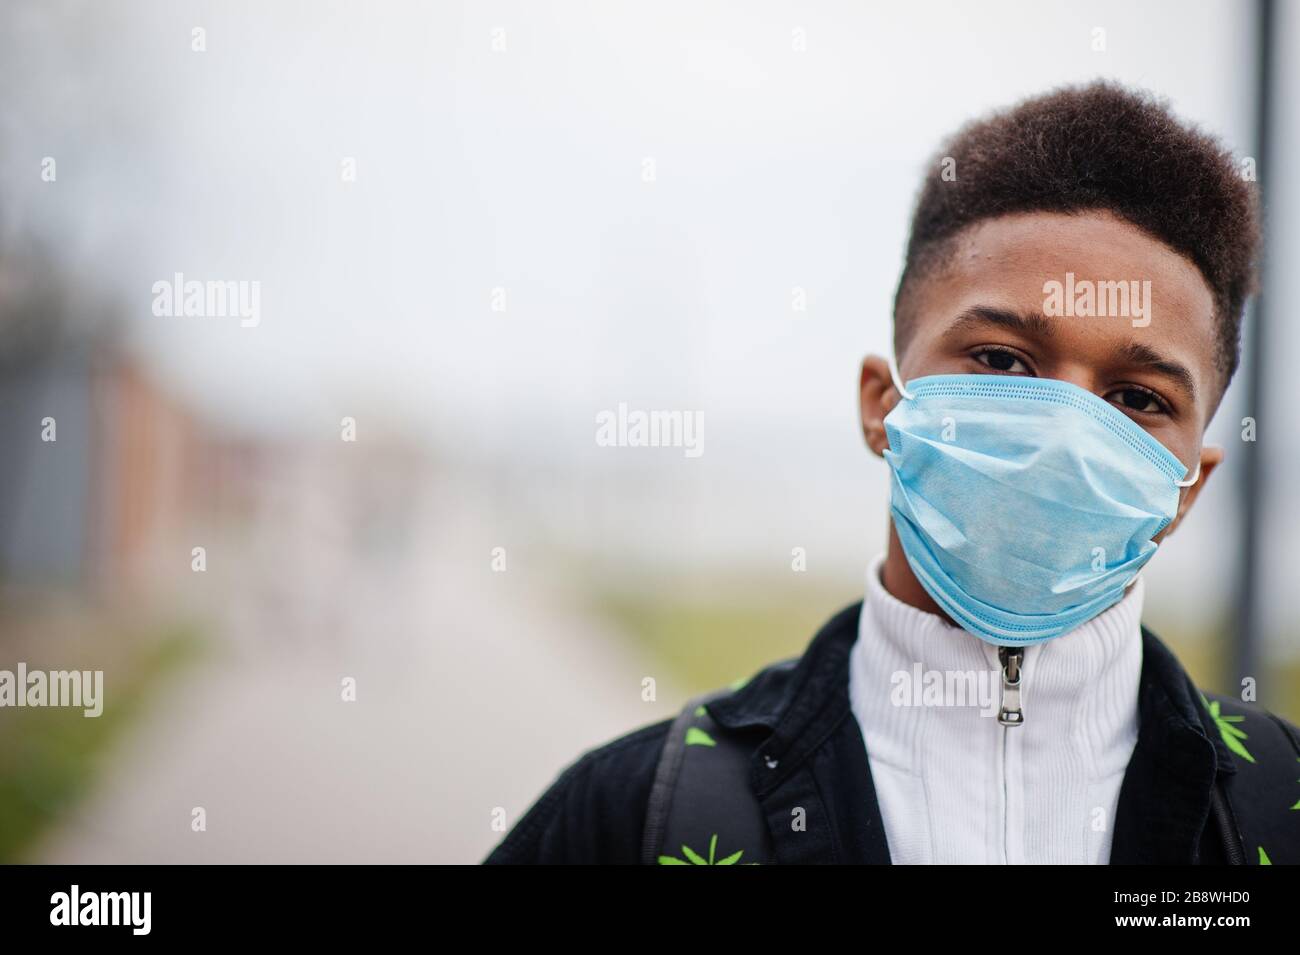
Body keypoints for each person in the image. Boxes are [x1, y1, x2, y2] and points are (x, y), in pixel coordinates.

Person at [482, 79, 1300, 865]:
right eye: (1003, 359)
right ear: (882, 403)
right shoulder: (632, 815)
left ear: (1187, 486)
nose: (1062, 438)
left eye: (1136, 396)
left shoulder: (1279, 807)